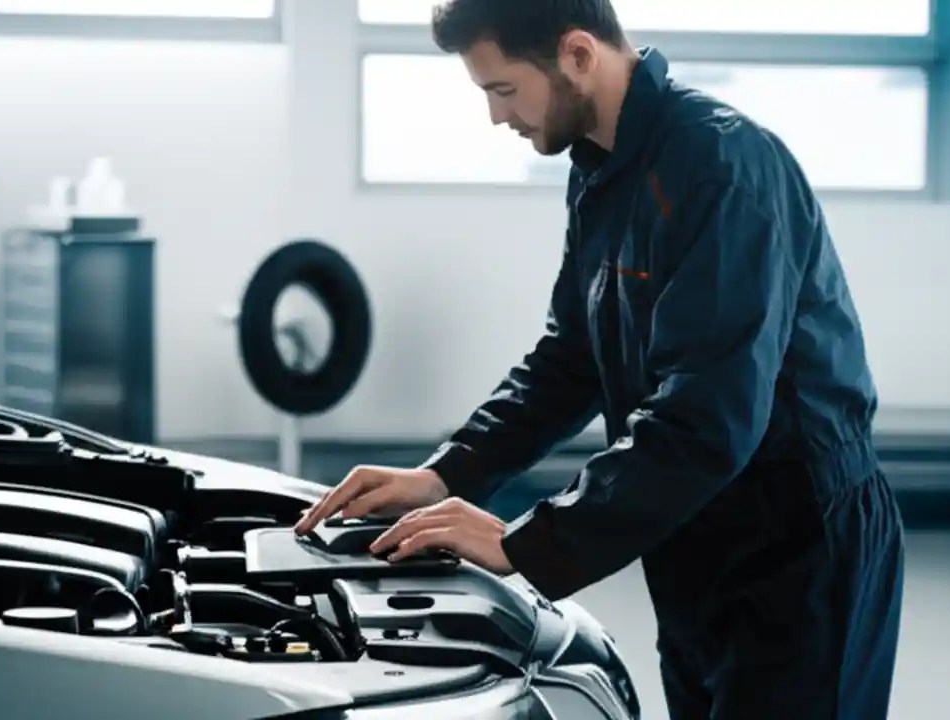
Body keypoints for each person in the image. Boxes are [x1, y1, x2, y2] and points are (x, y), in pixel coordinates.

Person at [295, 1, 906, 717]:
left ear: (578, 54)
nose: (496, 117)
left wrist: (527, 543)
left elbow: (709, 416)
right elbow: (573, 357)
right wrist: (446, 474)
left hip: (799, 544)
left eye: (503, 90)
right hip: (693, 532)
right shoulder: (599, 168)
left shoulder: (724, 167)